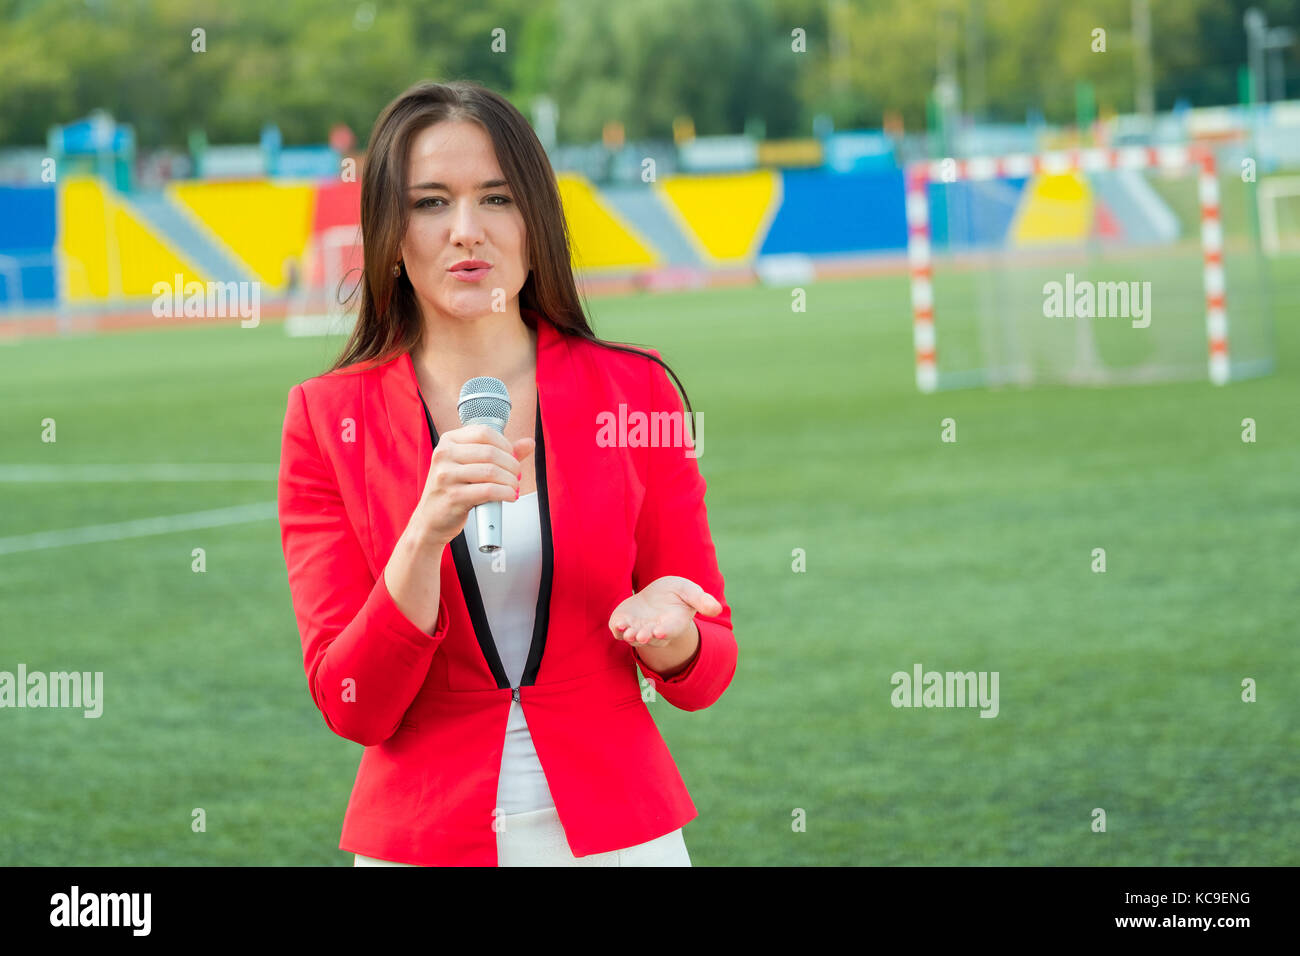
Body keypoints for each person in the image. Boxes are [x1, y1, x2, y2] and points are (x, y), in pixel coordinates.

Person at [276, 80, 738, 866]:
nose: (466, 232)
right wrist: (424, 536)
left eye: (496, 198)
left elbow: (707, 668)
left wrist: (674, 631)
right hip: (420, 838)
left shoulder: (636, 391)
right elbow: (351, 704)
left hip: (621, 833)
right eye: (429, 203)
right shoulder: (325, 418)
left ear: (535, 223)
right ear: (389, 234)